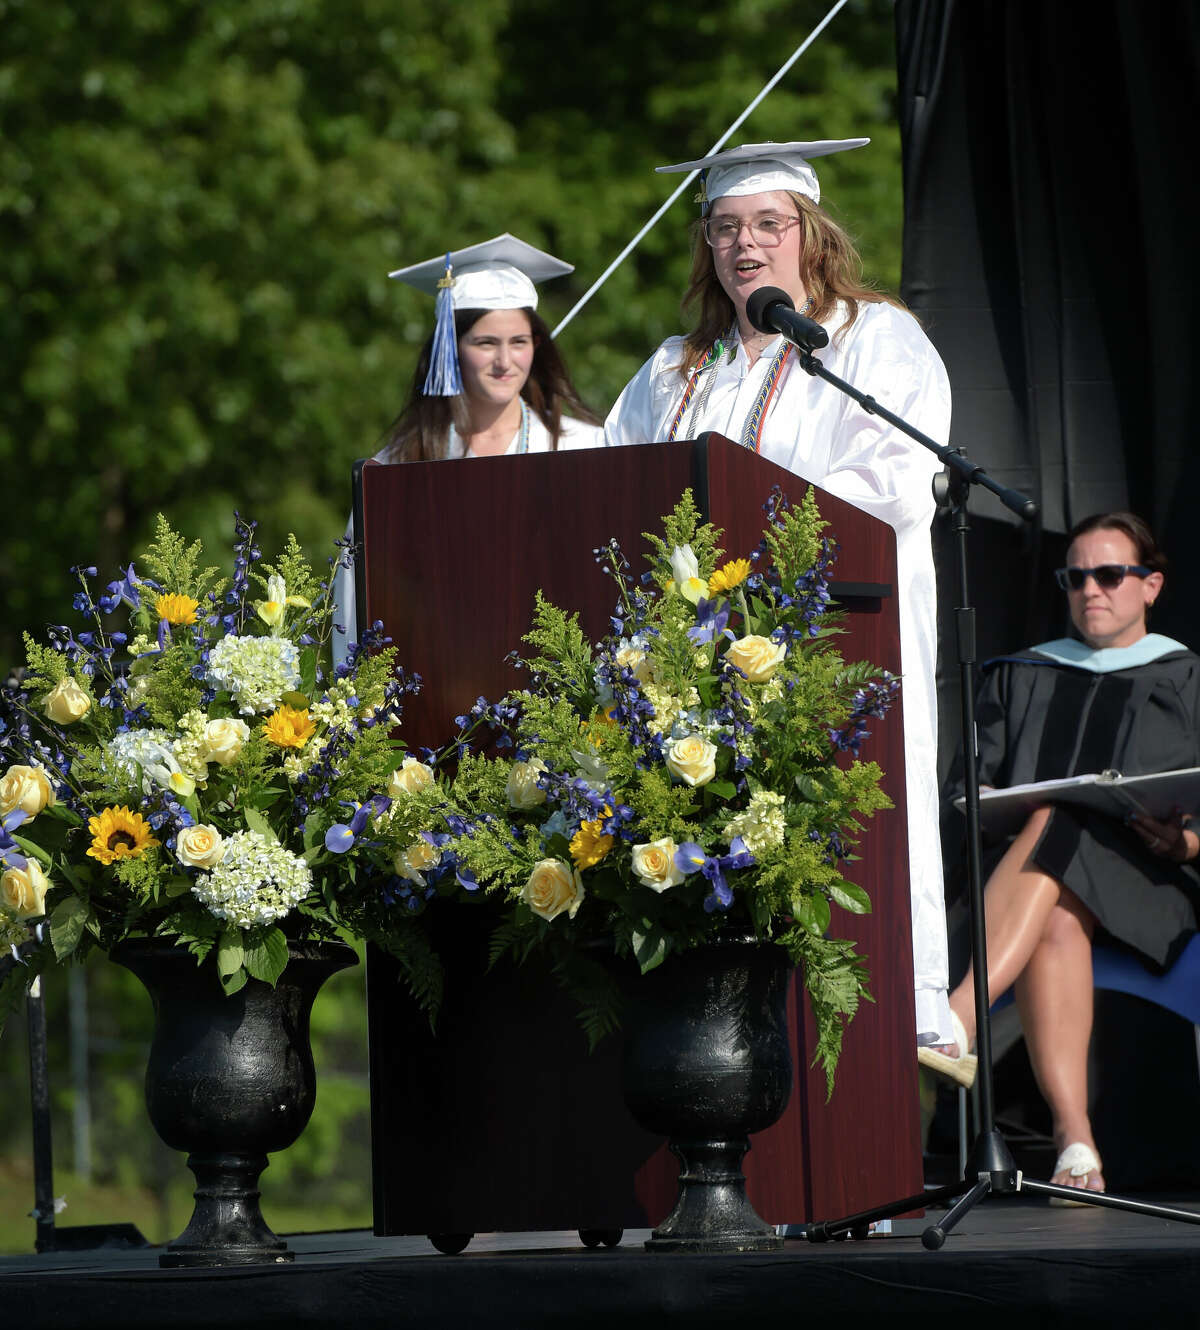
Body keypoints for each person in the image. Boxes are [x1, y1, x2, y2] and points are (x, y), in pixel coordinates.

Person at [605, 139, 954, 1051]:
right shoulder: (674, 369)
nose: (745, 245)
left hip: (833, 644)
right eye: (725, 228)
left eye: (768, 224)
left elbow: (890, 482)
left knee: (841, 863)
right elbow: (610, 487)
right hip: (689, 669)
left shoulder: (873, 340)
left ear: (812, 235)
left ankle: (878, 1055)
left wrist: (748, 555)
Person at [923, 512, 1200, 1197]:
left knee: (1056, 821)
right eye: (1075, 578)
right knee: (1054, 880)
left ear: (1152, 585)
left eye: (1110, 575)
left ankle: (956, 1018)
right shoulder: (1019, 675)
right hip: (1032, 887)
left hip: (1151, 881)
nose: (1091, 591)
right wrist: (988, 799)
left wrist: (1186, 839)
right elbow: (965, 791)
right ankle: (1076, 1142)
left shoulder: (1189, 678)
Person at [334, 234, 604, 662]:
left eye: (519, 342)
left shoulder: (585, 446)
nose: (505, 362)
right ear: (450, 349)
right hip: (438, 678)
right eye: (485, 343)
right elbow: (353, 597)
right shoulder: (400, 464)